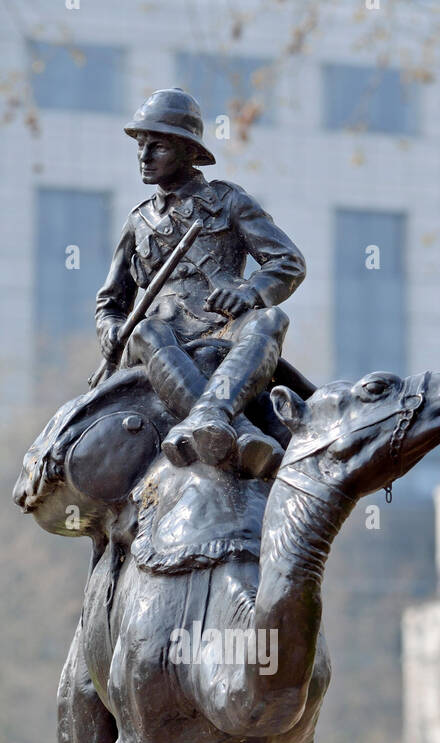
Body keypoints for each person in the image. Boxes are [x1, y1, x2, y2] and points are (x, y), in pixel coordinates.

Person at [95, 88, 306, 475]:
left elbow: (288, 262)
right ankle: (236, 428)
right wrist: (109, 327)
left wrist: (249, 292)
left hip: (221, 329)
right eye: (141, 146)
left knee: (270, 321)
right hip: (157, 338)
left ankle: (213, 413)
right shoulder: (137, 222)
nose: (143, 157)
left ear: (190, 152)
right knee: (147, 331)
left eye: (156, 146)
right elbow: (111, 301)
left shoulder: (229, 201)